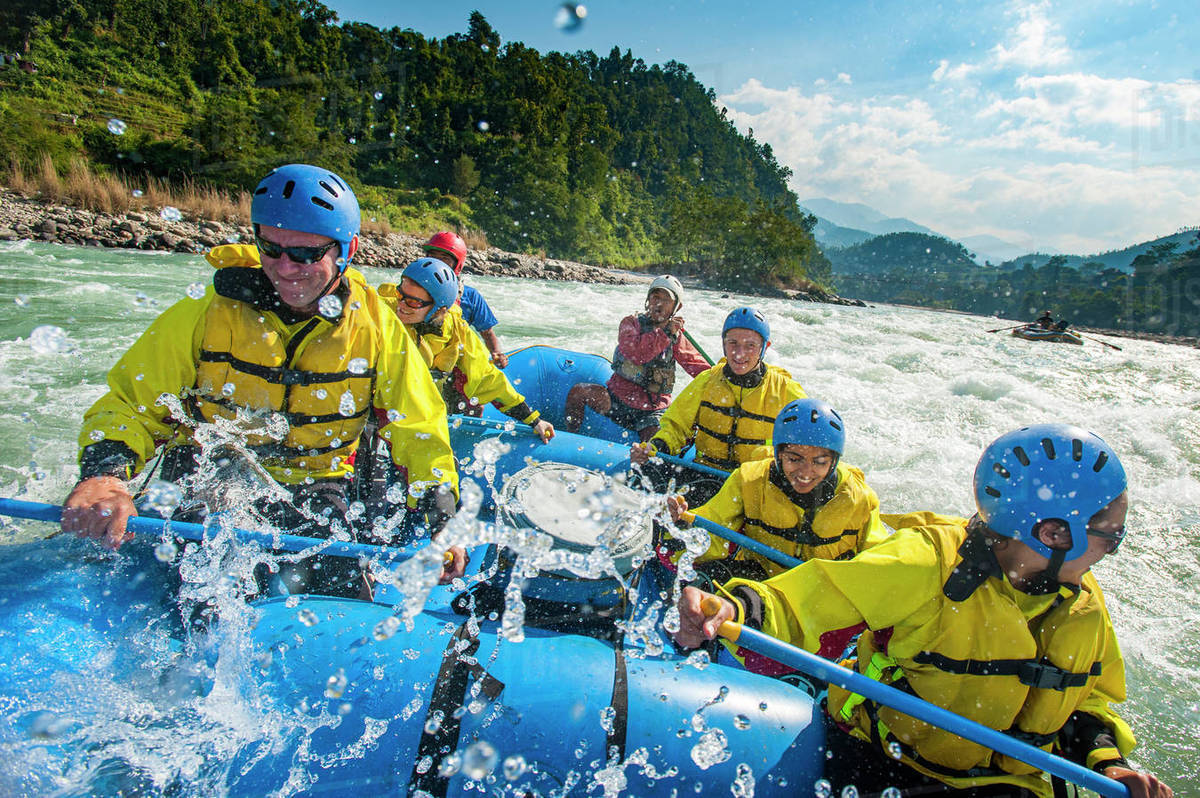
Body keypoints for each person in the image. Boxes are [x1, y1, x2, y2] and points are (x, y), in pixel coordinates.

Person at [673, 424, 1173, 798]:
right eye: (1111, 535)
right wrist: (729, 606)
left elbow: (1083, 703)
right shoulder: (928, 560)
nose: (1112, 549)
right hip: (884, 759)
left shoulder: (1082, 603)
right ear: (1054, 534)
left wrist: (1109, 763)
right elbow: (813, 595)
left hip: (1008, 783)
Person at [61, 163, 466, 597]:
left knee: (339, 582)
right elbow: (131, 403)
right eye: (270, 248)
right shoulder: (207, 311)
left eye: (307, 254)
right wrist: (105, 475)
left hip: (315, 481)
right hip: (206, 471)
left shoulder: (376, 327)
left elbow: (419, 425)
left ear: (346, 249)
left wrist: (443, 519)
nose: (286, 268)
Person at [665, 399, 888, 588]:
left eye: (819, 462)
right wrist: (683, 524)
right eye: (794, 459)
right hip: (761, 581)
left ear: (834, 461)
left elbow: (878, 559)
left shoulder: (858, 497)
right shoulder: (749, 479)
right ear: (778, 453)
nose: (805, 472)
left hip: (824, 593)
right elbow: (712, 525)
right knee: (710, 577)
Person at [630, 306, 806, 505]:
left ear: (765, 347)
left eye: (750, 346)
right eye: (733, 343)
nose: (739, 354)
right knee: (646, 471)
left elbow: (808, 445)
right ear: (723, 344)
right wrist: (654, 447)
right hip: (705, 474)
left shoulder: (785, 391)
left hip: (753, 484)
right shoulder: (707, 380)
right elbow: (675, 426)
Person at [376, 257, 555, 441]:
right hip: (379, 410)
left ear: (439, 309)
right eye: (400, 296)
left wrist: (534, 420)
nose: (401, 306)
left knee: (469, 401)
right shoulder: (377, 314)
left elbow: (487, 379)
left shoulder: (457, 332)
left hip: (420, 413)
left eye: (413, 302)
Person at [563, 275, 709, 441]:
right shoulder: (631, 323)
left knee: (655, 444)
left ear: (677, 306)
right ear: (648, 300)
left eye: (666, 299)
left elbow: (697, 367)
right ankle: (570, 437)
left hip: (651, 410)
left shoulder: (677, 337)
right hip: (616, 400)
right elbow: (637, 355)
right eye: (655, 297)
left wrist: (721, 374)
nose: (659, 303)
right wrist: (665, 333)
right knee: (578, 392)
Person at [422, 231, 508, 367]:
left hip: (453, 364)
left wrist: (496, 353)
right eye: (432, 257)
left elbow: (487, 333)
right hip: (419, 358)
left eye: (444, 259)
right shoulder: (412, 288)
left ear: (458, 265)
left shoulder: (470, 296)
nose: (436, 263)